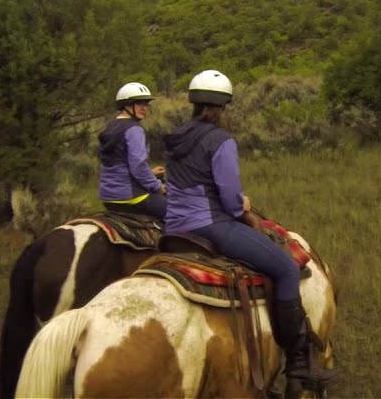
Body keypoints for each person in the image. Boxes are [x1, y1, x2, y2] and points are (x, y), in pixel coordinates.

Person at [163, 70, 337, 390]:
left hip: (173, 229)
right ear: (222, 107)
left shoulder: (175, 137)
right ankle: (298, 365)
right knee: (285, 269)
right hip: (211, 226)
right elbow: (230, 199)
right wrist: (241, 205)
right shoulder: (221, 140)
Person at [98, 82, 166, 221]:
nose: (144, 108)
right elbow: (138, 166)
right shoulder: (134, 129)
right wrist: (158, 186)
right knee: (181, 214)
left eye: (146, 104)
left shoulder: (109, 126)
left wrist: (151, 173)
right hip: (131, 197)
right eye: (140, 104)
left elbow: (118, 163)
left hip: (108, 197)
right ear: (127, 105)